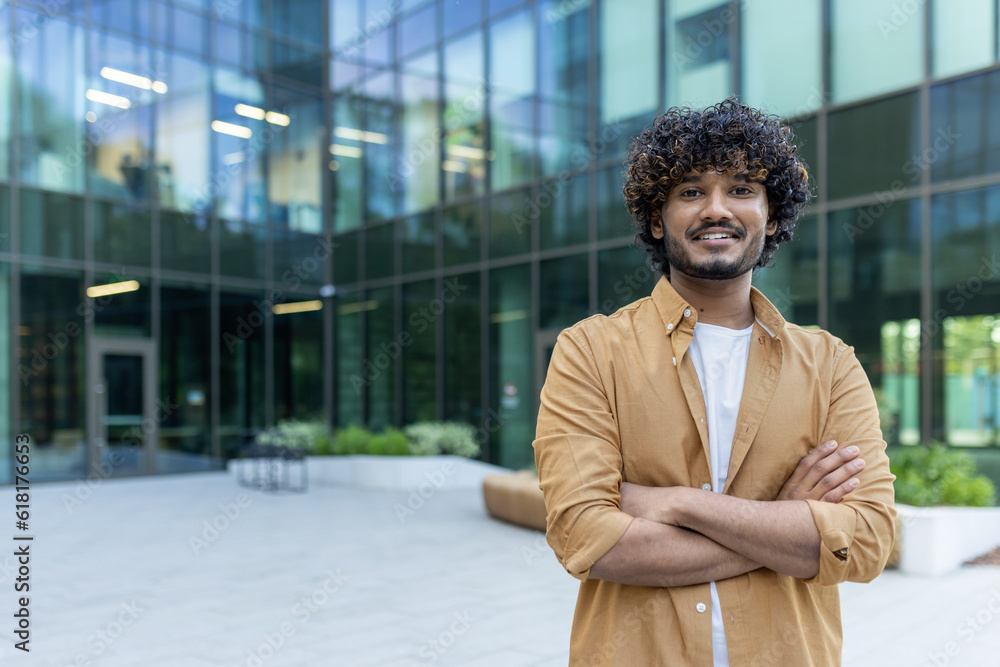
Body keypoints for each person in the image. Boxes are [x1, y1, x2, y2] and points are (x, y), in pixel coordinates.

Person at [533, 99, 896, 666]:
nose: (716, 209)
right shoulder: (591, 350)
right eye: (691, 191)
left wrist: (678, 505)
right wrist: (784, 522)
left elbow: (867, 543)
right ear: (658, 217)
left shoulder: (830, 364)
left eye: (743, 188)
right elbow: (586, 537)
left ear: (772, 215)